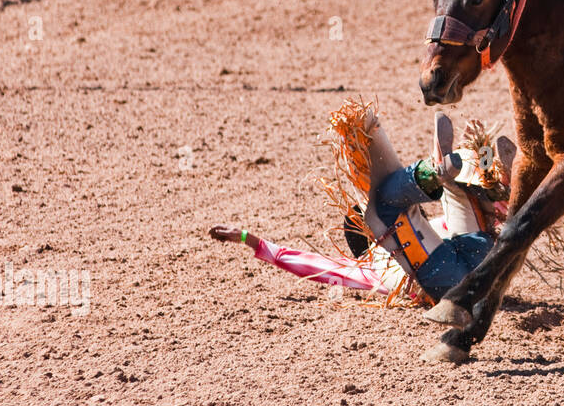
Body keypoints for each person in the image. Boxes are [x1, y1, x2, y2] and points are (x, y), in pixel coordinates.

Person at [210, 107, 515, 308]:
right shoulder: (414, 237)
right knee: (461, 196)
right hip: (483, 263)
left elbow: (312, 266)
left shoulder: (367, 270)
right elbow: (464, 216)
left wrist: (249, 239)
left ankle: (468, 173)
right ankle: (484, 173)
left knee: (403, 204)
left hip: (453, 283)